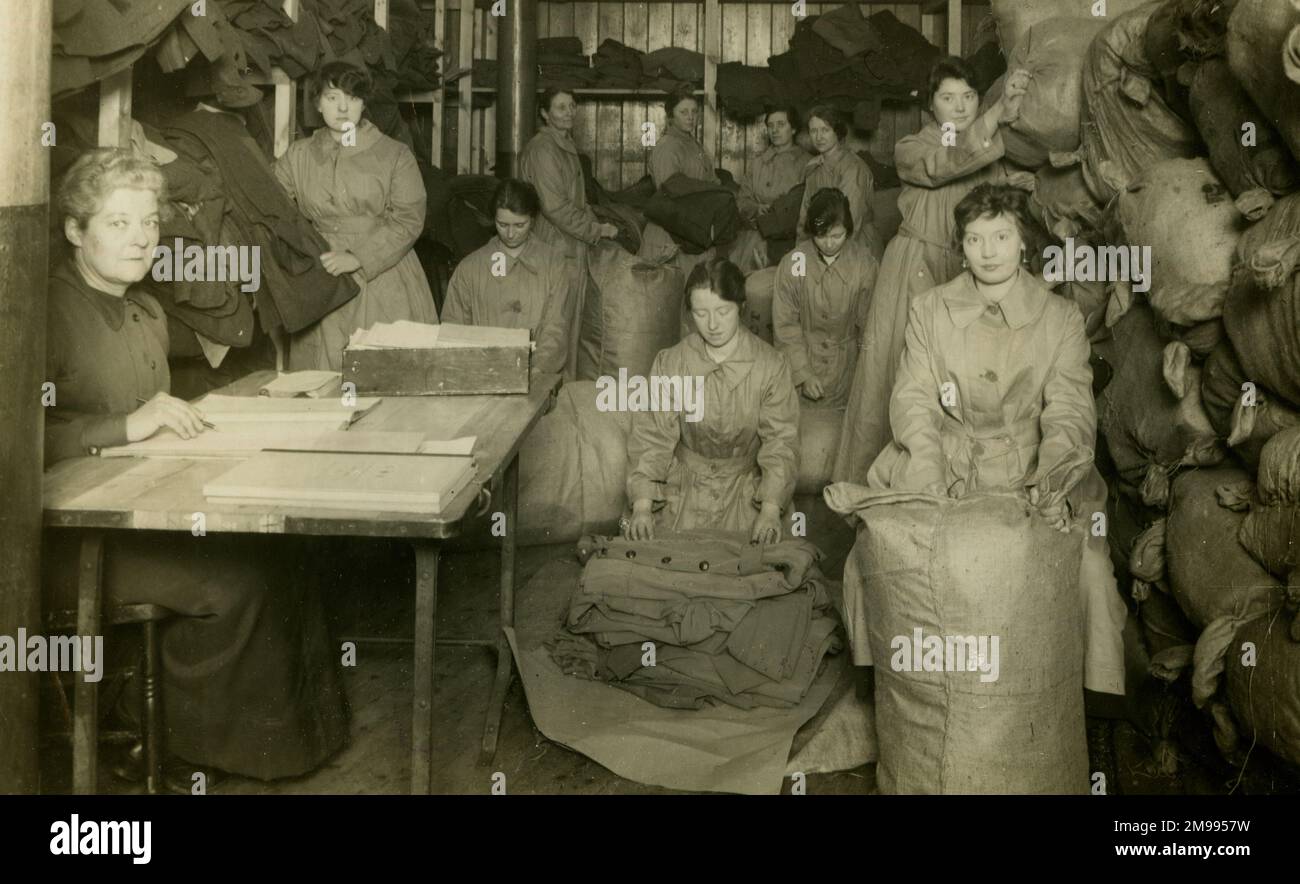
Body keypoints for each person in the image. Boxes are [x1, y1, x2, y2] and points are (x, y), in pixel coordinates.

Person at [43, 149, 350, 784]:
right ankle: (173, 738)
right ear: (75, 230)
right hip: (65, 539)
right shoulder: (38, 311)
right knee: (237, 582)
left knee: (286, 553)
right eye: (117, 223)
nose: (141, 239)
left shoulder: (144, 310)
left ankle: (296, 747)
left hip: (135, 505)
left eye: (149, 223)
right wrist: (122, 428)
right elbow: (15, 440)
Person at [858, 183, 1126, 697]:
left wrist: (1051, 488)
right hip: (947, 458)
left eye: (1001, 236)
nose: (989, 252)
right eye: (975, 239)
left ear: (1023, 241)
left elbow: (1069, 413)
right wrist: (927, 475)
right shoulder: (929, 310)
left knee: (1087, 571)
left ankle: (1090, 706)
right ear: (961, 247)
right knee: (881, 553)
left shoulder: (1061, 319)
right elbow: (913, 399)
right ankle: (903, 689)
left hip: (1034, 465)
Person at [833, 57, 1033, 484]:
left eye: (969, 97)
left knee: (956, 383)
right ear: (931, 107)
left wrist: (1020, 181)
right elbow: (945, 164)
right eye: (948, 98)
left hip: (963, 275)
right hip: (912, 270)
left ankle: (942, 488)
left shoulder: (989, 151)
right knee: (896, 375)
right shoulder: (912, 147)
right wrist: (997, 115)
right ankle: (874, 493)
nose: (960, 107)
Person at [274, 60, 437, 371]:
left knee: (384, 376)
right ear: (317, 104)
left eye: (352, 97)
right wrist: (304, 254)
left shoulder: (394, 155)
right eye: (332, 98)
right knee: (320, 381)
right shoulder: (298, 155)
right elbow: (274, 207)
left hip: (383, 274)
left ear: (364, 103)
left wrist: (359, 257)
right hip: (322, 275)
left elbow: (408, 220)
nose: (343, 108)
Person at [624, 258, 800, 544]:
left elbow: (782, 442)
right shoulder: (671, 362)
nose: (713, 324)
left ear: (741, 307)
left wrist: (770, 510)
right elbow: (651, 436)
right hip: (679, 495)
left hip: (749, 496)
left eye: (723, 311)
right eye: (701, 313)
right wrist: (643, 506)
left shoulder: (772, 365)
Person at [519, 88, 620, 374]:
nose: (569, 112)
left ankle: (564, 396)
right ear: (544, 113)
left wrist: (596, 220)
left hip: (570, 244)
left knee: (570, 325)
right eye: (560, 107)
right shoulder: (543, 149)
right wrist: (595, 230)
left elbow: (576, 201)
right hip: (553, 244)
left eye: (572, 106)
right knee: (555, 326)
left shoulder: (565, 145)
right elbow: (555, 208)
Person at [441, 178, 574, 376]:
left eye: (520, 225)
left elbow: (556, 328)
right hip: (483, 375)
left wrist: (537, 370)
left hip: (538, 375)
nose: (510, 234)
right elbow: (453, 330)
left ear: (533, 219)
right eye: (502, 224)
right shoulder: (470, 268)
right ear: (492, 219)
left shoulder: (554, 264)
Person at [773, 187, 878, 409]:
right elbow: (786, 326)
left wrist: (866, 379)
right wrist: (802, 374)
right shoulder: (796, 262)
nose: (829, 243)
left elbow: (869, 327)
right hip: (803, 363)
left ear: (849, 231)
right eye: (821, 236)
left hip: (847, 372)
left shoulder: (864, 264)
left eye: (836, 236)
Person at [640, 87, 722, 282]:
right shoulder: (667, 146)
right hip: (671, 237)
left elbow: (712, 183)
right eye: (683, 112)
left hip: (694, 232)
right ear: (671, 115)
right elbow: (670, 195)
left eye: (694, 112)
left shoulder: (694, 145)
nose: (690, 117)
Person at [728, 106, 811, 274]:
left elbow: (806, 206)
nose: (775, 130)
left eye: (781, 124)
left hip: (790, 242)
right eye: (771, 125)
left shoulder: (807, 163)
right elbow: (742, 200)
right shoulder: (757, 163)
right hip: (753, 237)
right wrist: (757, 209)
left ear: (793, 128)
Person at [798, 105, 877, 259]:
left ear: (837, 132)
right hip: (823, 245)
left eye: (825, 130)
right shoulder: (813, 168)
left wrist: (828, 257)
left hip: (855, 246)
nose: (819, 137)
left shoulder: (853, 168)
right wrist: (801, 255)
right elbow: (804, 219)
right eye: (814, 131)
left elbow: (852, 222)